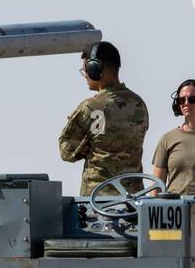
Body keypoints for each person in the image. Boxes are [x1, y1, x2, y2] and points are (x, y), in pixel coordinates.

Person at [58, 41, 149, 197]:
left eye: (86, 69)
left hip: (98, 200)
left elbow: (67, 152)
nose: (85, 75)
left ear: (96, 69)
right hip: (133, 199)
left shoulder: (91, 107)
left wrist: (88, 145)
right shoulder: (139, 104)